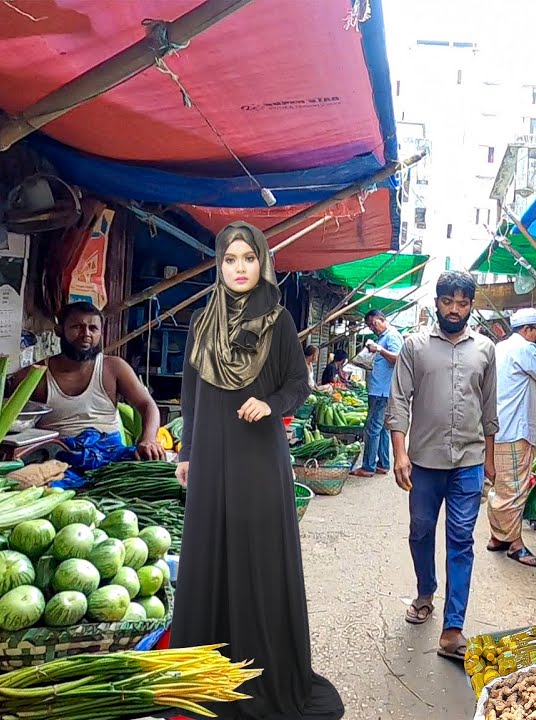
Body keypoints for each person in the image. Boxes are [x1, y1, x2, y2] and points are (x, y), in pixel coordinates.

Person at [171, 222, 344, 720]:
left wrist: (269, 405)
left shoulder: (279, 321)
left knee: (257, 557)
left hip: (258, 455)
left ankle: (262, 671)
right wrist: (186, 451)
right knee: (210, 553)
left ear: (262, 262)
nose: (240, 268)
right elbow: (190, 391)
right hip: (209, 453)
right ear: (219, 265)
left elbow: (298, 383)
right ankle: (206, 673)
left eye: (248, 258)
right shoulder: (203, 323)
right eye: (230, 259)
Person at [387, 270, 497, 662]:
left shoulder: (485, 349)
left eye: (462, 303)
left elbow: (488, 407)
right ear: (437, 303)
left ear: (471, 306)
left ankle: (453, 628)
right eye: (448, 301)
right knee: (420, 531)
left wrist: (491, 459)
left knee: (461, 541)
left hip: (468, 461)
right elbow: (398, 401)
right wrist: (400, 453)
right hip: (424, 461)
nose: (454, 309)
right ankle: (424, 591)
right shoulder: (414, 347)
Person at [14, 301, 164, 460]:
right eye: (77, 327)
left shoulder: (113, 367)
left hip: (112, 456)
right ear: (59, 331)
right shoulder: (35, 374)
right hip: (56, 460)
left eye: (93, 328)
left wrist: (148, 439)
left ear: (101, 333)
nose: (86, 334)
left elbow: (147, 404)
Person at [488, 308, 536, 567]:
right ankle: (515, 545)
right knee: (514, 489)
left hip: (496, 428)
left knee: (500, 486)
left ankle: (497, 536)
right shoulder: (525, 349)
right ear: (528, 329)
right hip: (514, 430)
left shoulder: (499, 348)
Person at [353, 309, 402, 478]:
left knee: (372, 428)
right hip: (380, 389)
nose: (373, 328)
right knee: (381, 429)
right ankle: (383, 464)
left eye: (374, 324)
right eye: (369, 326)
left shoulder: (392, 336)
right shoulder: (382, 337)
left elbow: (398, 358)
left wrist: (380, 350)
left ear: (383, 319)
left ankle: (367, 467)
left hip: (381, 391)